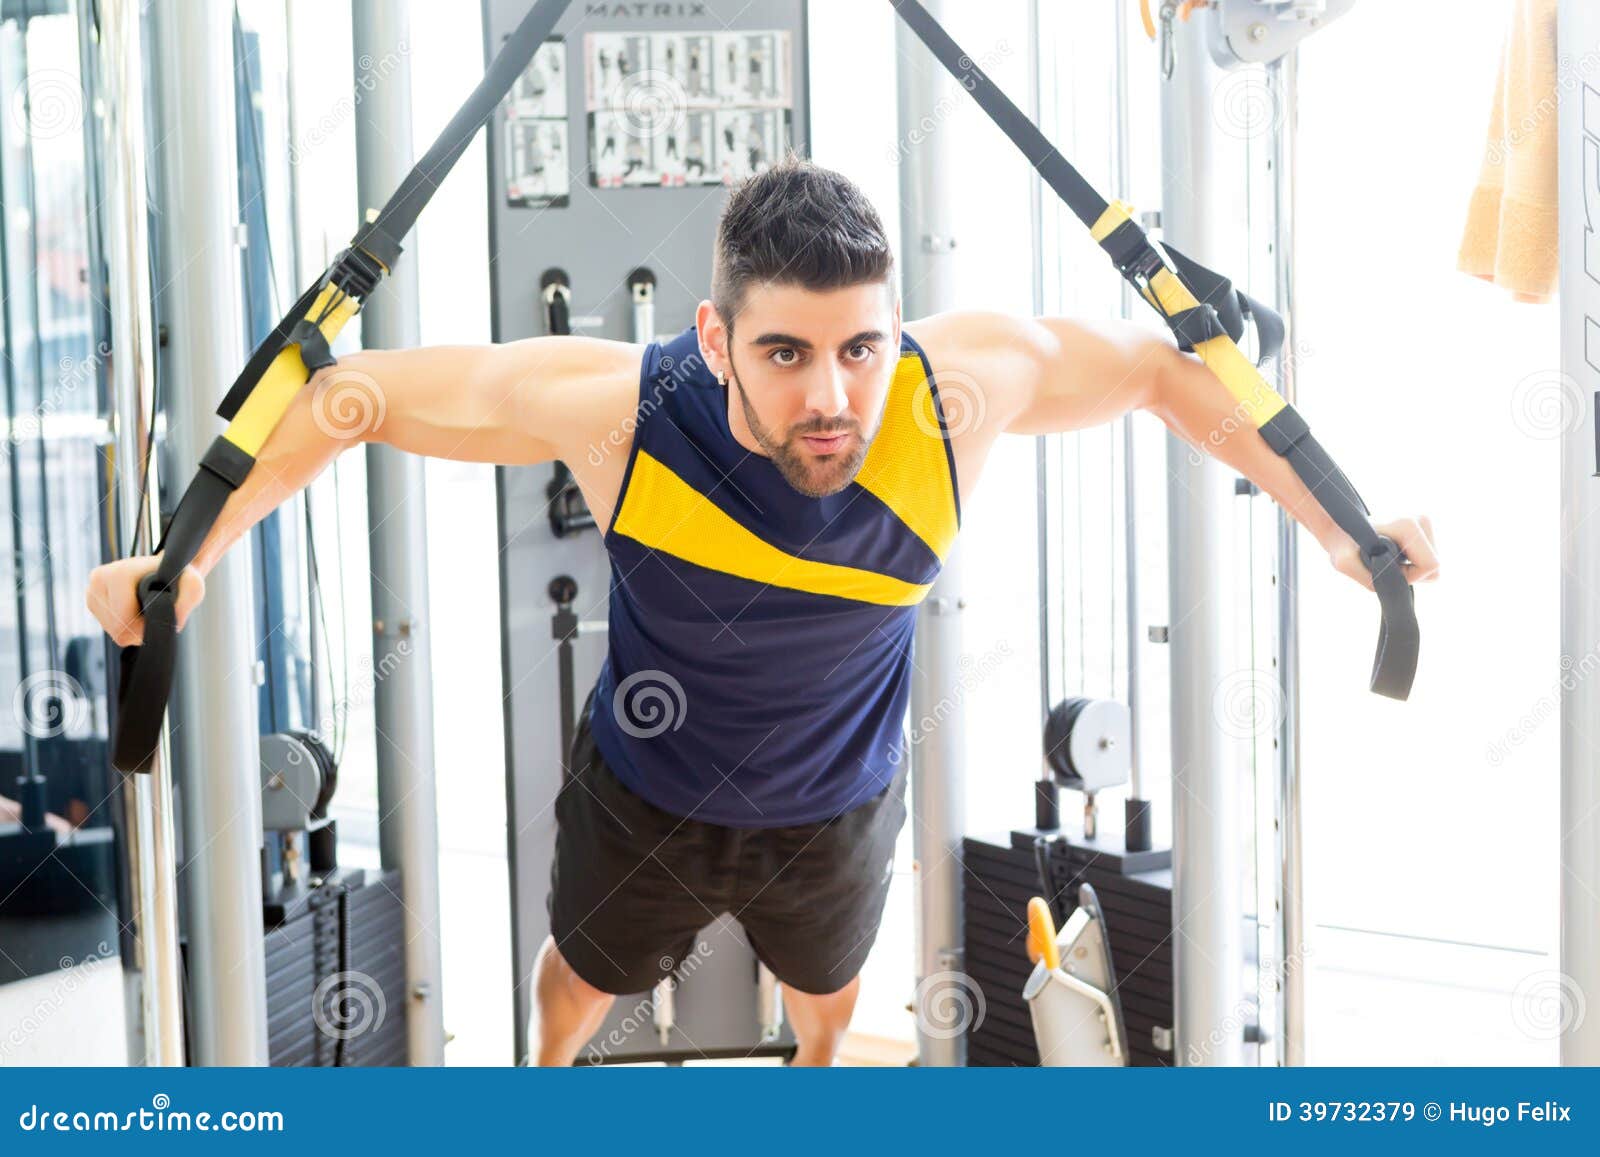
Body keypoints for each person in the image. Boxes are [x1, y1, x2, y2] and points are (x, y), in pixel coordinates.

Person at [85, 157, 1438, 1066]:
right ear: (717, 335)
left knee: (833, 995)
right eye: (786, 353)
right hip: (647, 790)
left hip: (840, 801)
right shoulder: (624, 411)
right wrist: (187, 548)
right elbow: (349, 392)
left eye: (860, 346)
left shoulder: (951, 396)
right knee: (577, 976)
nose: (833, 397)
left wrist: (1336, 526)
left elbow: (1160, 368)